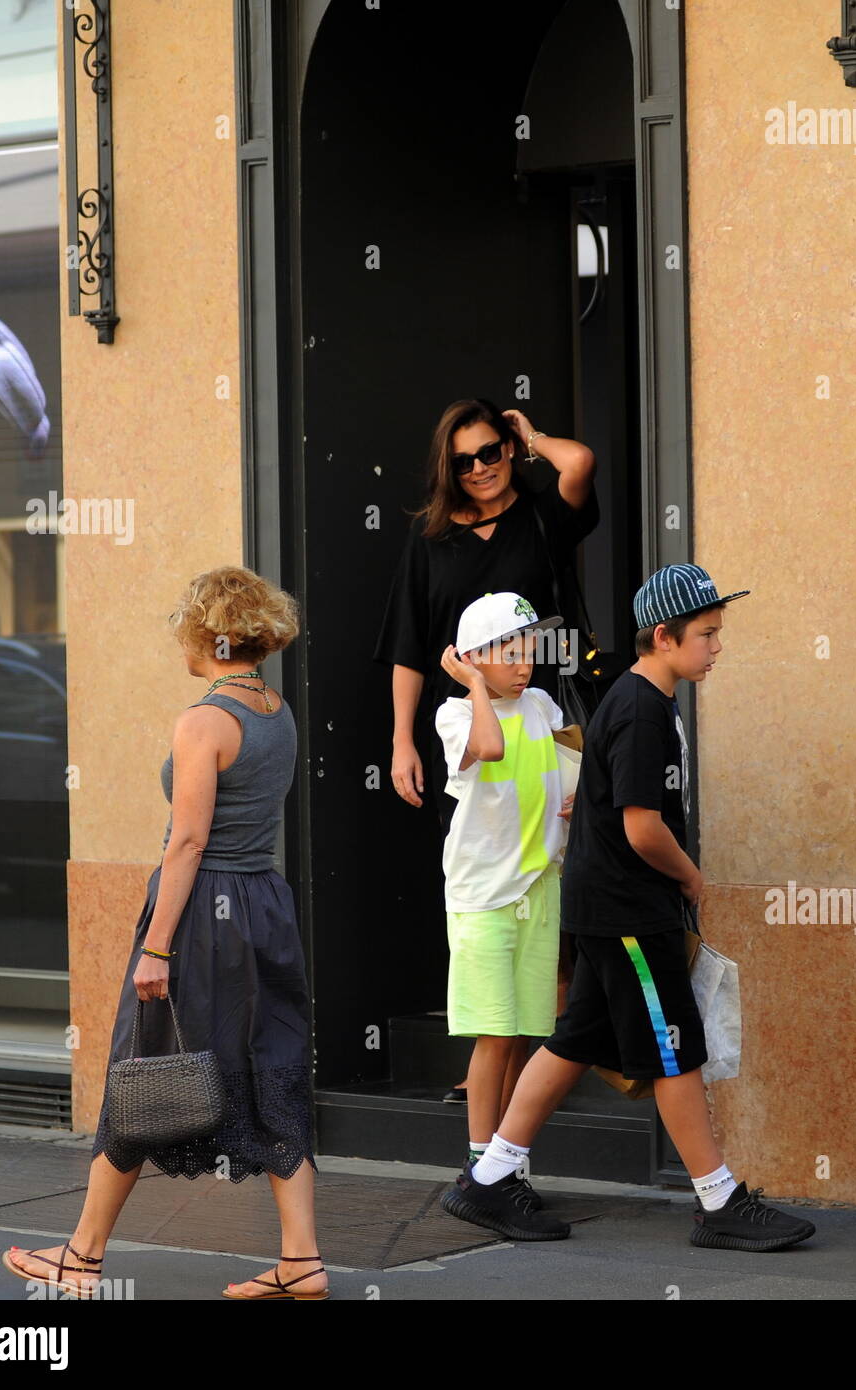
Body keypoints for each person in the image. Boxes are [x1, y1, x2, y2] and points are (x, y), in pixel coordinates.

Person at [439, 563, 817, 1250]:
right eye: (706, 635)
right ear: (665, 637)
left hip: (607, 905)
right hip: (628, 912)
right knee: (674, 1047)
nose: (717, 647)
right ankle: (717, 1198)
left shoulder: (640, 698)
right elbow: (642, 826)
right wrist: (691, 876)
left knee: (578, 1037)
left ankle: (489, 1176)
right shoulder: (641, 708)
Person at [2, 566, 327, 1301]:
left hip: (203, 912)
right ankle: (302, 1260)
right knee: (273, 1069)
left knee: (144, 1070)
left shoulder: (204, 719)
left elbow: (187, 843)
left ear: (210, 632)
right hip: (265, 907)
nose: (179, 639)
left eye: (185, 625)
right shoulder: (277, 710)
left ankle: (81, 1258)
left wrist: (156, 947)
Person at [376, 397, 598, 1102]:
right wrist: (401, 738)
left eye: (491, 451)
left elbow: (582, 463)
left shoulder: (539, 515)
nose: (479, 468)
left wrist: (531, 436)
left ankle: (542, 1053)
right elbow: (410, 644)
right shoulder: (430, 538)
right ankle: (490, 1051)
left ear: (508, 448)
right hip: (467, 732)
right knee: (484, 874)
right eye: (464, 458)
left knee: (553, 865)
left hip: (544, 717)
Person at [434, 591, 575, 1174]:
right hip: (484, 897)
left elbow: (573, 760)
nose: (525, 665)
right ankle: (478, 1165)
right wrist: (472, 684)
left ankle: (507, 1157)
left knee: (522, 1032)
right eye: (510, 653)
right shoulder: (458, 714)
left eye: (530, 651)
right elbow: (488, 749)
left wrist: (576, 796)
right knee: (492, 1033)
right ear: (470, 657)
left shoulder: (541, 702)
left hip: (540, 888)